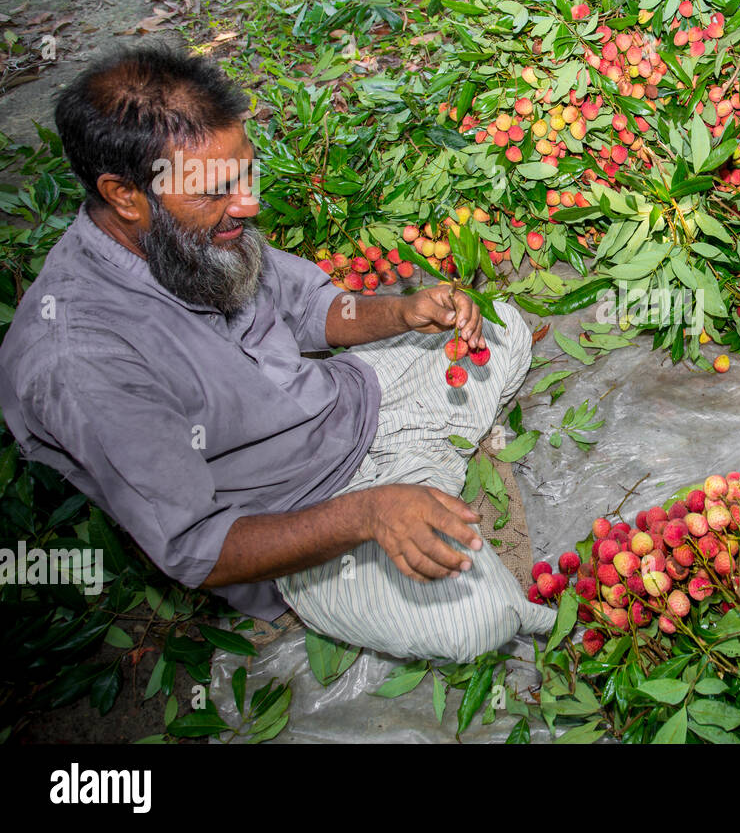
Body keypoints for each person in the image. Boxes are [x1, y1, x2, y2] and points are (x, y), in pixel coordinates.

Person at [0, 45, 554, 662]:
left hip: (346, 404)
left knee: (499, 324)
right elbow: (198, 548)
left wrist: (402, 311)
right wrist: (366, 516)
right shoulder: (81, 360)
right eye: (218, 191)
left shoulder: (200, 230)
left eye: (247, 175)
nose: (249, 205)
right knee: (478, 626)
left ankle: (417, 464)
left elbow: (308, 306)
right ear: (125, 196)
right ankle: (406, 491)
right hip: (297, 514)